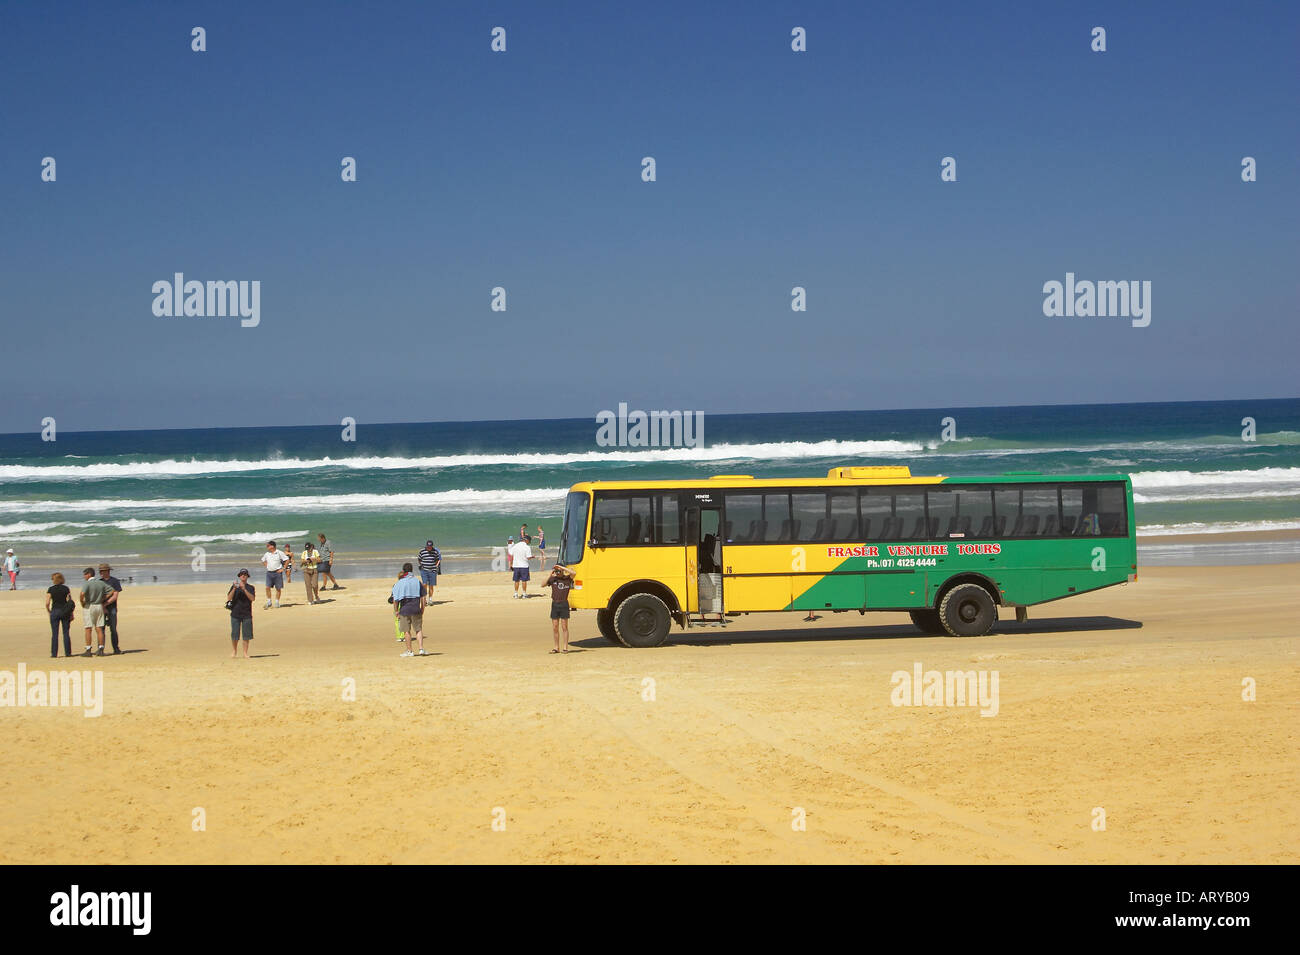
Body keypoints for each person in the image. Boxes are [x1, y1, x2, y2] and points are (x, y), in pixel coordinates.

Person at [390, 562, 428, 657]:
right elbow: (423, 597)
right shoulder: (417, 581)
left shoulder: (399, 583)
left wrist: (396, 611)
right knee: (418, 629)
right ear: (411, 570)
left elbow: (395, 599)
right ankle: (421, 649)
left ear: (403, 571)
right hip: (416, 607)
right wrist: (422, 608)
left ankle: (409, 651)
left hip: (404, 609)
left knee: (406, 631)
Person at [542, 564, 574, 653]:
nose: (558, 572)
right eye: (557, 571)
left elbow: (574, 573)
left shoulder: (567, 579)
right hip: (555, 604)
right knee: (555, 627)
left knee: (564, 627)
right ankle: (556, 647)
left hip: (564, 603)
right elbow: (542, 584)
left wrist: (562, 568)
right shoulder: (553, 579)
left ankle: (565, 647)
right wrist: (550, 574)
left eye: (559, 570)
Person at [79, 567, 110, 656]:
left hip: (90, 605)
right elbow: (111, 591)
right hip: (99, 605)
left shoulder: (87, 583)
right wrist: (103, 598)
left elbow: (82, 594)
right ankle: (101, 648)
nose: (84, 576)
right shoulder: (101, 583)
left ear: (89, 574)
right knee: (99, 628)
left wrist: (82, 602)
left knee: (88, 628)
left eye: (85, 574)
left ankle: (88, 649)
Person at [45, 572, 75, 658]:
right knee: (66, 633)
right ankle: (68, 653)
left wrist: (49, 611)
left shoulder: (50, 589)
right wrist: (71, 613)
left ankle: (54, 654)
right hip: (65, 611)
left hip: (55, 611)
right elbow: (70, 602)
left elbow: (47, 603)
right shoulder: (66, 589)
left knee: (55, 634)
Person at [227, 569, 255, 658]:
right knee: (235, 634)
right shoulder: (234, 586)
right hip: (235, 613)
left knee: (246, 635)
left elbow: (252, 598)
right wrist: (235, 588)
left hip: (246, 614)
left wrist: (244, 589)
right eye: (242, 574)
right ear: (239, 576)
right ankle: (234, 651)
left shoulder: (251, 587)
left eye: (245, 574)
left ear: (247, 576)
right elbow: (229, 598)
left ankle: (245, 653)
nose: (243, 576)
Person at [99, 563, 124, 654]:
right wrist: (102, 606)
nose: (101, 572)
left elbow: (115, 596)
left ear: (108, 571)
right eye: (100, 571)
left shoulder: (115, 581)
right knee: (101, 629)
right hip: (101, 608)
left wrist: (105, 605)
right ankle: (101, 649)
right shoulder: (99, 582)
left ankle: (116, 648)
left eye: (103, 571)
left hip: (112, 607)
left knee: (113, 629)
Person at [260, 541, 285, 608]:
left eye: (268, 546)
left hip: (277, 573)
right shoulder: (267, 554)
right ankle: (269, 601)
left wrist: (283, 568)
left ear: (272, 546)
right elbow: (263, 560)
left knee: (278, 588)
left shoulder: (279, 552)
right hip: (269, 573)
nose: (267, 547)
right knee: (267, 587)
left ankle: (277, 602)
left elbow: (287, 560)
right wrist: (267, 566)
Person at [299, 540, 320, 604]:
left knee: (314, 585)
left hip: (314, 569)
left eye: (309, 548)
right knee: (308, 585)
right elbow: (301, 561)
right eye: (307, 549)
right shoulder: (304, 553)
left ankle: (316, 596)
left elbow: (319, 560)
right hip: (306, 569)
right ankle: (310, 600)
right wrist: (306, 561)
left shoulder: (315, 552)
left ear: (311, 547)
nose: (308, 550)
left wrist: (314, 559)